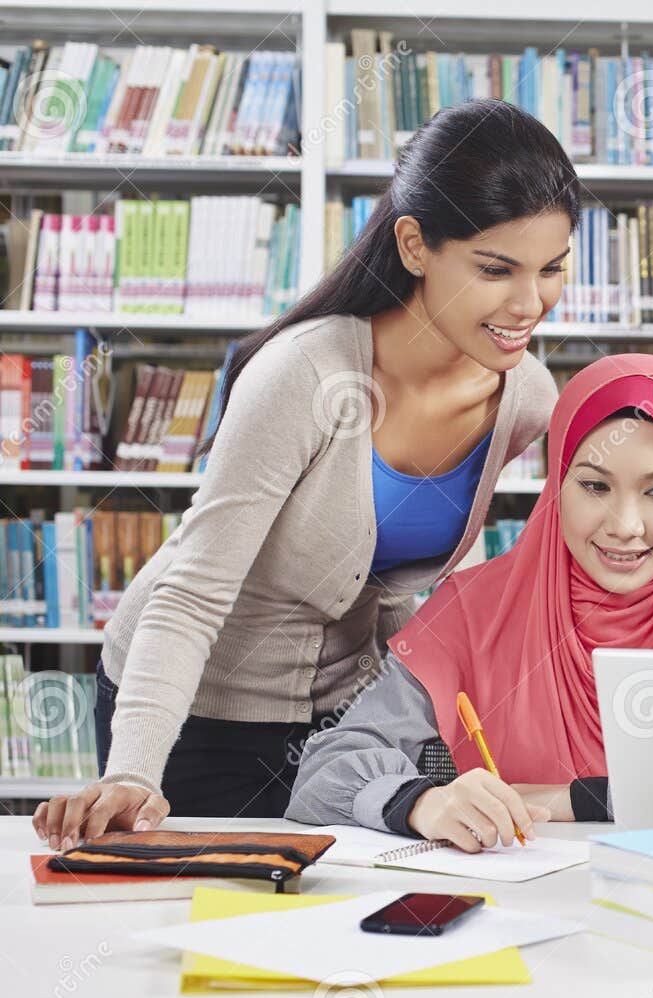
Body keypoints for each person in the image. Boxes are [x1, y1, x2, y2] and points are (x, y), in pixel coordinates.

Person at [34, 99, 578, 849]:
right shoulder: (308, 375)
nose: (529, 303)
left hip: (341, 724)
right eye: (496, 269)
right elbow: (190, 593)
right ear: (416, 246)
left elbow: (401, 586)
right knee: (212, 924)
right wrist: (134, 773)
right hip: (197, 709)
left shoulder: (524, 399)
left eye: (551, 269)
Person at [285, 355, 653, 847]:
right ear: (557, 483)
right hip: (512, 916)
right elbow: (325, 773)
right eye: (594, 487)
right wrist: (422, 802)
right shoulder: (472, 610)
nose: (625, 527)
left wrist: (568, 800)